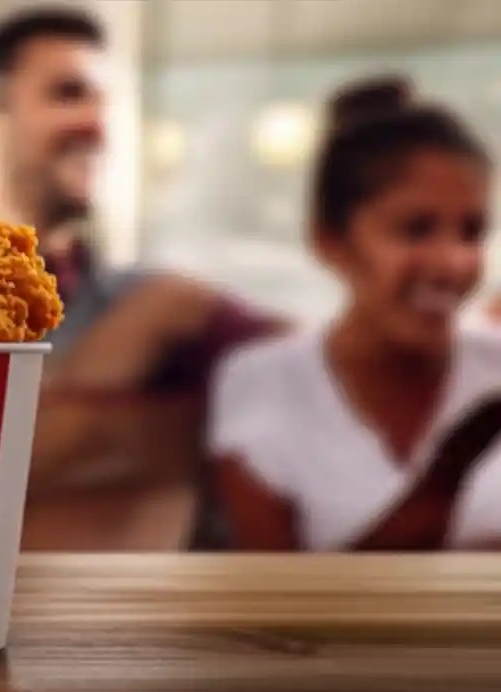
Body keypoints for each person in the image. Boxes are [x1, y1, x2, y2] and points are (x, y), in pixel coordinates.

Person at [0, 6, 281, 546]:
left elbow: (327, 367)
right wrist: (126, 341)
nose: (97, 124)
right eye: (66, 94)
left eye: (103, 101)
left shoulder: (171, 309)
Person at [211, 77, 498, 551]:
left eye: (472, 232)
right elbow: (276, 602)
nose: (453, 263)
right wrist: (452, 469)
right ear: (330, 242)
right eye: (415, 230)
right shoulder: (261, 382)